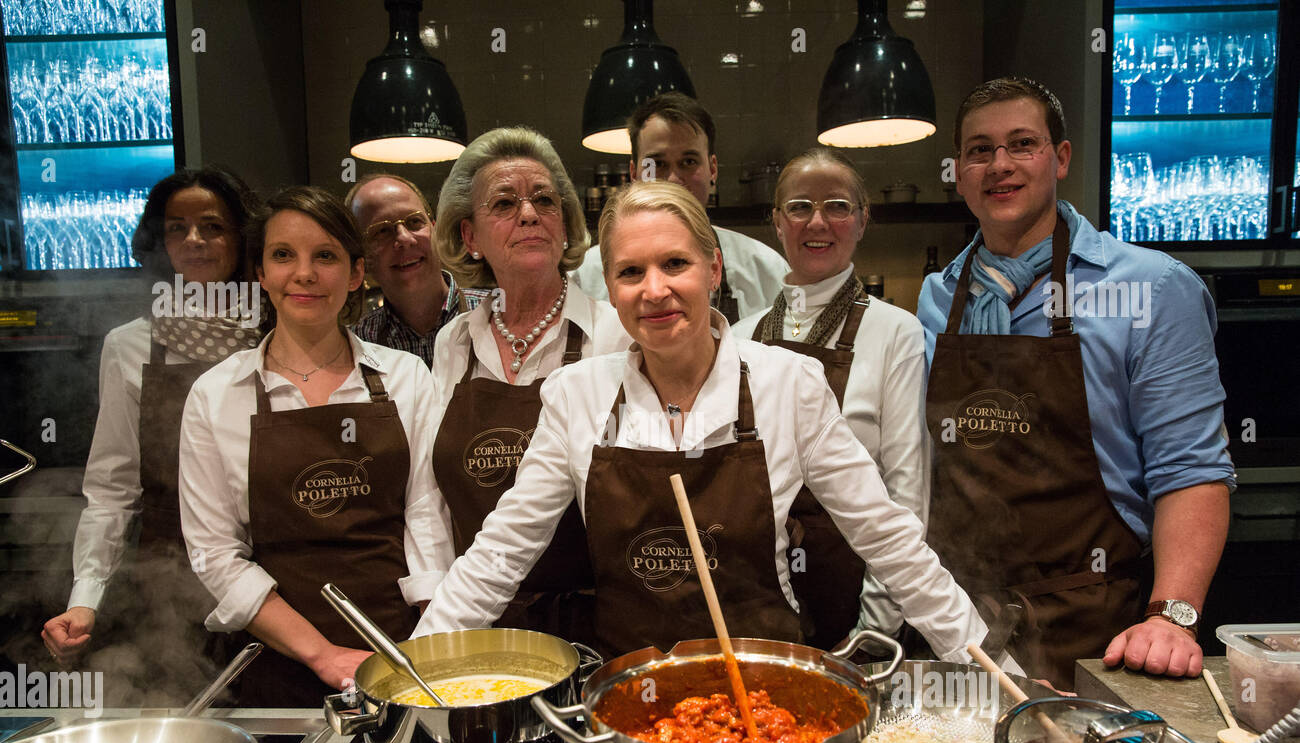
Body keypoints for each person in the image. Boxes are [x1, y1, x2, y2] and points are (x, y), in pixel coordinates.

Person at [415, 179, 1017, 675]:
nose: (655, 290)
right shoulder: (576, 395)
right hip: (629, 688)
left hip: (765, 678)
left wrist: (993, 668)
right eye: (630, 272)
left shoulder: (791, 385)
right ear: (613, 291)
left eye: (675, 263)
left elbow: (889, 540)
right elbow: (499, 553)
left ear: (713, 269)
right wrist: (415, 667)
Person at [916, 77, 1234, 689]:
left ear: (1060, 158)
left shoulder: (1153, 290)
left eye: (1022, 144)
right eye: (979, 150)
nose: (999, 165)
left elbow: (1191, 470)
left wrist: (1172, 617)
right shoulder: (936, 300)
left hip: (1095, 635)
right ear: (959, 171)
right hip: (957, 628)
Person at [177, 186, 443, 706]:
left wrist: (429, 637)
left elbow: (427, 511)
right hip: (277, 658)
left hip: (403, 646)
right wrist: (322, 653)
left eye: (325, 256)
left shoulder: (406, 375)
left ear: (356, 273)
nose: (304, 273)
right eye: (283, 256)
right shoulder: (214, 395)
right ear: (260, 273)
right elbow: (215, 553)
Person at [41, 166, 263, 697]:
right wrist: (85, 597)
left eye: (212, 226)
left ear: (241, 239)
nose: (194, 240)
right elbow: (112, 488)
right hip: (171, 577)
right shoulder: (129, 345)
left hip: (278, 568)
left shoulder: (279, 332)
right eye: (176, 228)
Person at [430, 126, 629, 646]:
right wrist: (437, 614)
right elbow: (430, 499)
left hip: (595, 623)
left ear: (565, 227)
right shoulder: (453, 342)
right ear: (469, 237)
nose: (527, 213)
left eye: (544, 199)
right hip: (477, 613)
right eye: (503, 202)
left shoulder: (616, 336)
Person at [735, 147, 928, 649]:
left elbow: (905, 493)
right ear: (777, 223)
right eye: (799, 207)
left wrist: (874, 630)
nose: (817, 221)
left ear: (863, 221)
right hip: (754, 601)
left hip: (855, 596)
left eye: (838, 206)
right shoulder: (738, 337)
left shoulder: (896, 333)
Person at [569, 91, 788, 324]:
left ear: (712, 168)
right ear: (634, 173)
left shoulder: (766, 268)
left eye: (689, 162)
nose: (673, 179)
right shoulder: (587, 275)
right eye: (658, 164)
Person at [346, 173, 486, 367]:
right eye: (382, 231)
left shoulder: (497, 316)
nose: (404, 239)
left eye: (414, 222)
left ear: (435, 230)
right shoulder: (355, 344)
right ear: (363, 254)